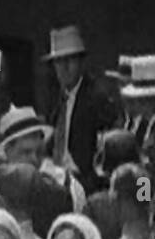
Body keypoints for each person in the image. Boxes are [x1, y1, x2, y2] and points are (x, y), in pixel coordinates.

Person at [43, 26, 118, 194]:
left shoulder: (97, 98)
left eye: (70, 60)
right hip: (58, 178)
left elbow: (106, 151)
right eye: (59, 62)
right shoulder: (56, 99)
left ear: (81, 63)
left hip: (87, 183)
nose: (64, 67)